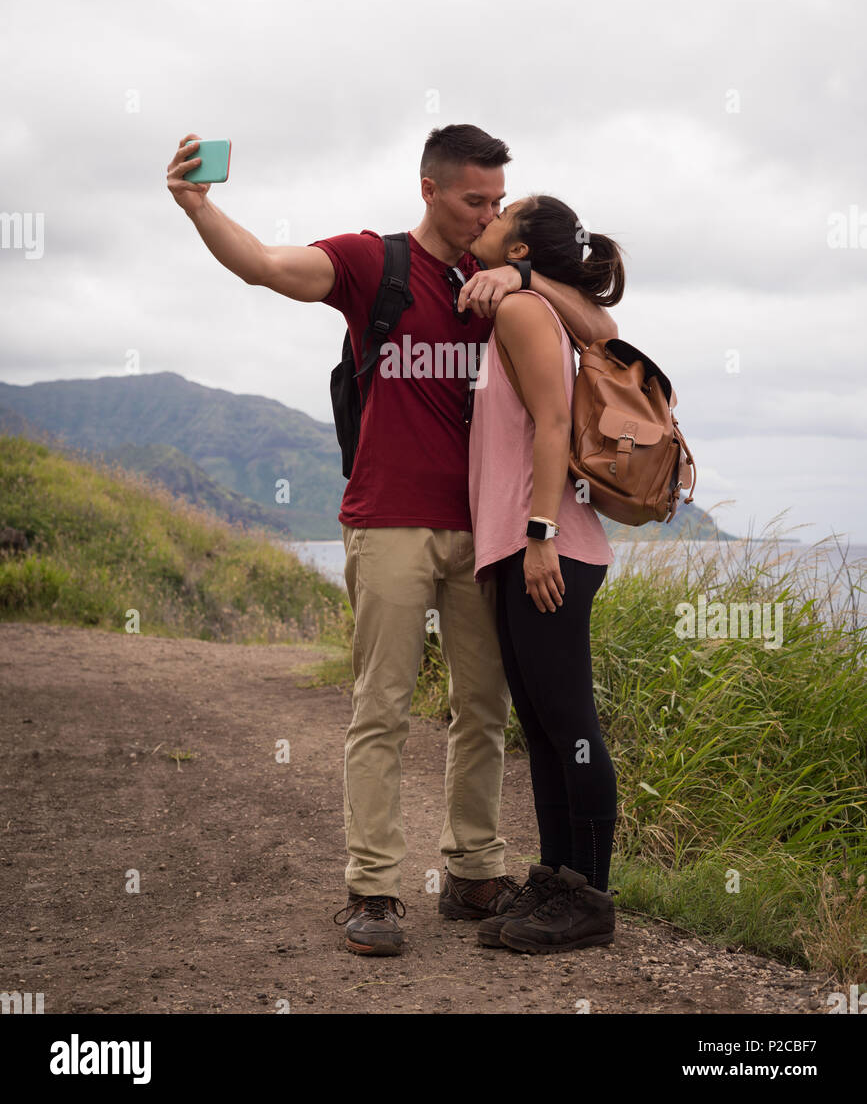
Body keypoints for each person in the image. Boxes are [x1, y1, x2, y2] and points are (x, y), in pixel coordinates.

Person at [166, 124, 617, 956]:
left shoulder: (504, 284)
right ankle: (373, 891)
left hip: (488, 536)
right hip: (387, 522)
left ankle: (475, 874)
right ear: (430, 190)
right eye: (473, 199)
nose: (485, 212)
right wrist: (199, 209)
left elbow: (596, 327)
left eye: (495, 202)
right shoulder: (375, 264)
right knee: (379, 708)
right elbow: (267, 265)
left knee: (481, 710)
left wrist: (519, 270)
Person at [466, 194, 625, 954]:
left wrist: (538, 534)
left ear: (520, 243)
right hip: (521, 541)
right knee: (543, 729)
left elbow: (555, 423)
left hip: (547, 544)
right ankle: (558, 881)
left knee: (572, 730)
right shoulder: (525, 300)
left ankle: (589, 899)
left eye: (503, 214)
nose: (488, 216)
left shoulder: (524, 310)